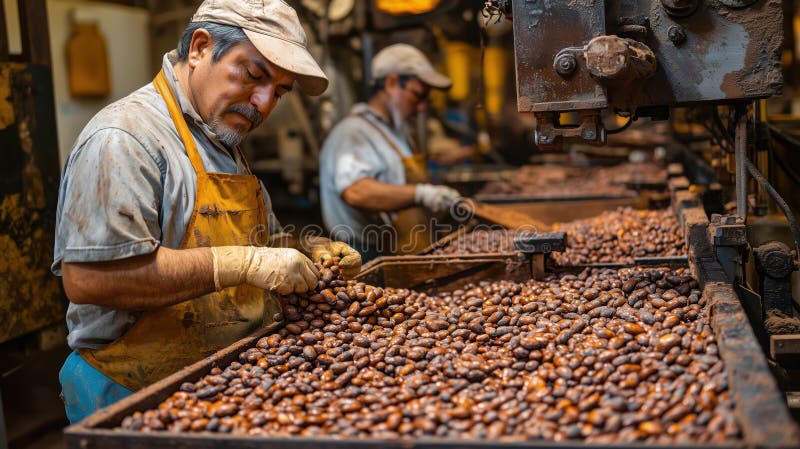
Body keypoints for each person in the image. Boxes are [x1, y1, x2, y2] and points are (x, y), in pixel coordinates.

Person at [52, 0, 360, 423]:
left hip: (217, 383)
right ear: (199, 48)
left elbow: (253, 247)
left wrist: (306, 250)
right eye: (253, 75)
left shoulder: (222, 141)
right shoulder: (124, 138)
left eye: (280, 91)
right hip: (133, 393)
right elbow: (90, 280)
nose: (264, 103)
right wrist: (243, 262)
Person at [319, 44, 462, 259]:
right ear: (391, 83)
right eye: (417, 95)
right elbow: (356, 192)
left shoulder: (395, 132)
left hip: (393, 250)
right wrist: (422, 194)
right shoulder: (352, 132)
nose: (421, 107)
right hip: (361, 255)